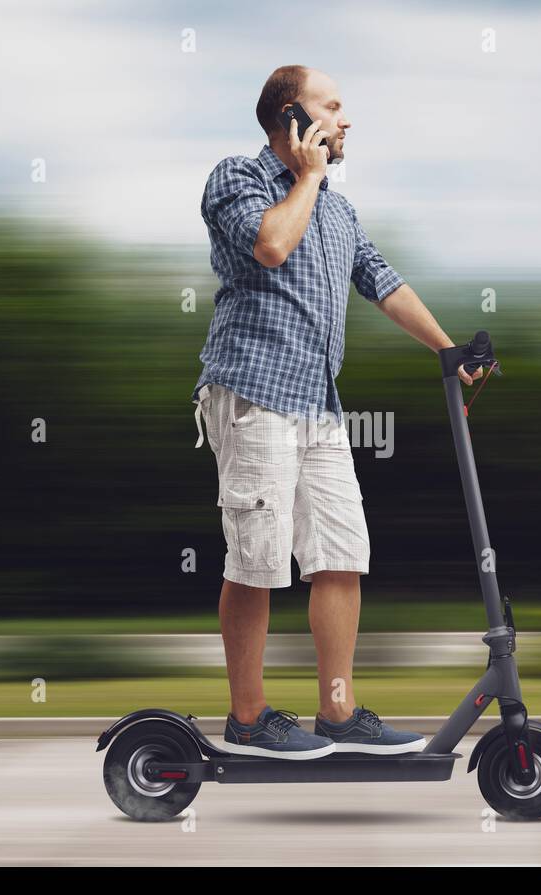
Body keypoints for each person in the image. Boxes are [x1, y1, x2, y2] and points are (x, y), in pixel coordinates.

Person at [191, 65, 481, 759]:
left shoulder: (343, 213)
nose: (346, 120)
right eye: (333, 107)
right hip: (253, 391)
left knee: (342, 553)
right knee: (258, 559)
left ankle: (339, 713)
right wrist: (310, 176)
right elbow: (269, 245)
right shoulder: (238, 178)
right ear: (294, 118)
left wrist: (448, 352)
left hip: (319, 404)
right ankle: (248, 719)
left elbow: (383, 282)